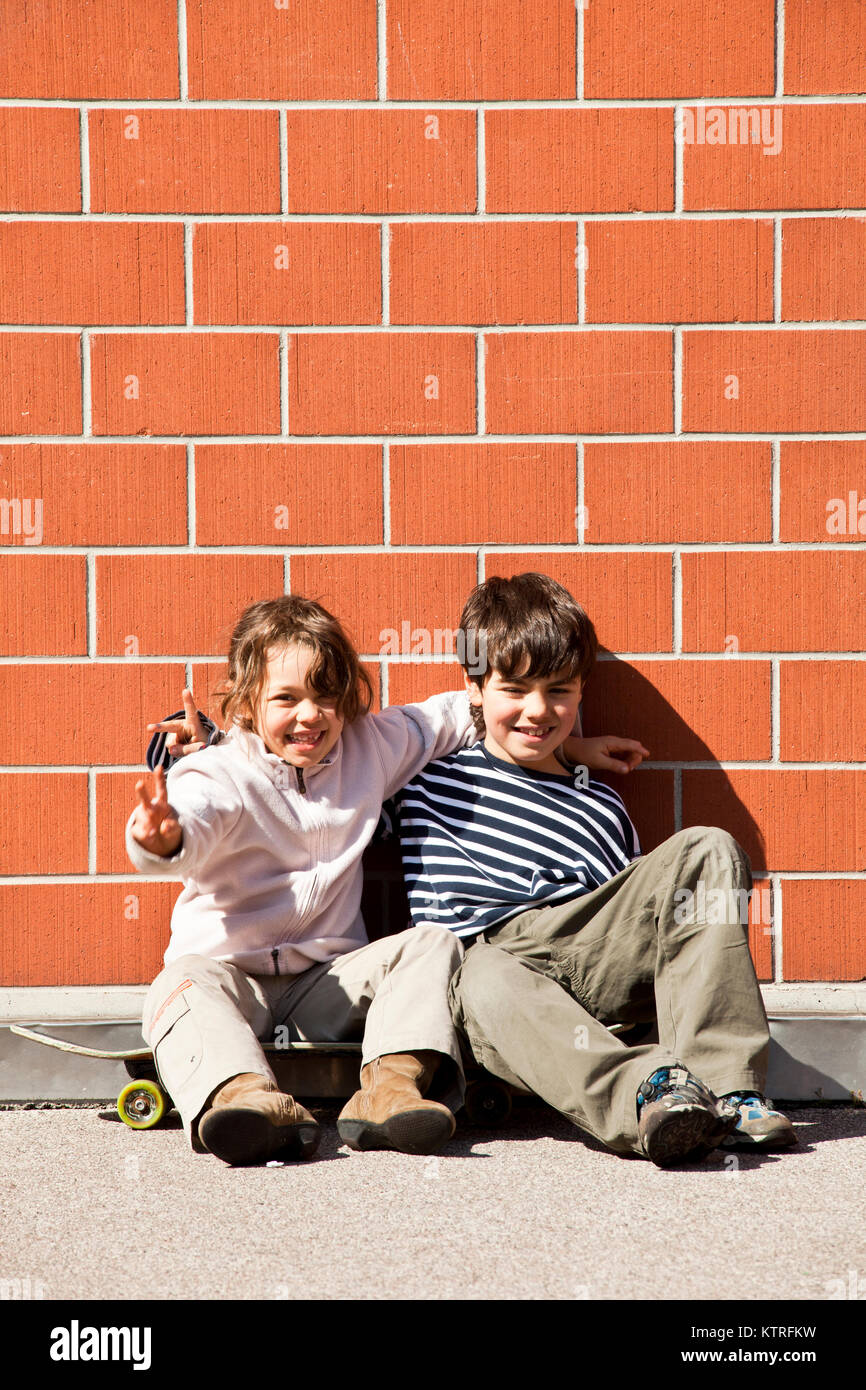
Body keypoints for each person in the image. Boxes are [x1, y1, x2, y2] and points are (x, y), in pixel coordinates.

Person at [129, 591, 628, 1166]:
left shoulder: (371, 747)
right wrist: (162, 839)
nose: (309, 715)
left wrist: (570, 747)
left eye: (325, 696)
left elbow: (468, 710)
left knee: (431, 942)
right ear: (247, 702)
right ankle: (244, 1102)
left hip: (328, 982)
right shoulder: (216, 771)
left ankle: (389, 1094)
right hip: (228, 978)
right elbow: (193, 815)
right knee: (179, 982)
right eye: (286, 699)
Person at [382, 571, 797, 1167]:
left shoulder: (599, 803)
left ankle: (728, 1090)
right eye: (514, 689)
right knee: (484, 971)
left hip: (590, 954)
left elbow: (629, 925)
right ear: (473, 689)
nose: (537, 710)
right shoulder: (425, 780)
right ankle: (649, 1097)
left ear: (581, 693)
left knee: (707, 847)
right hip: (494, 974)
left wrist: (571, 754)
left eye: (558, 690)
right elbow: (332, 768)